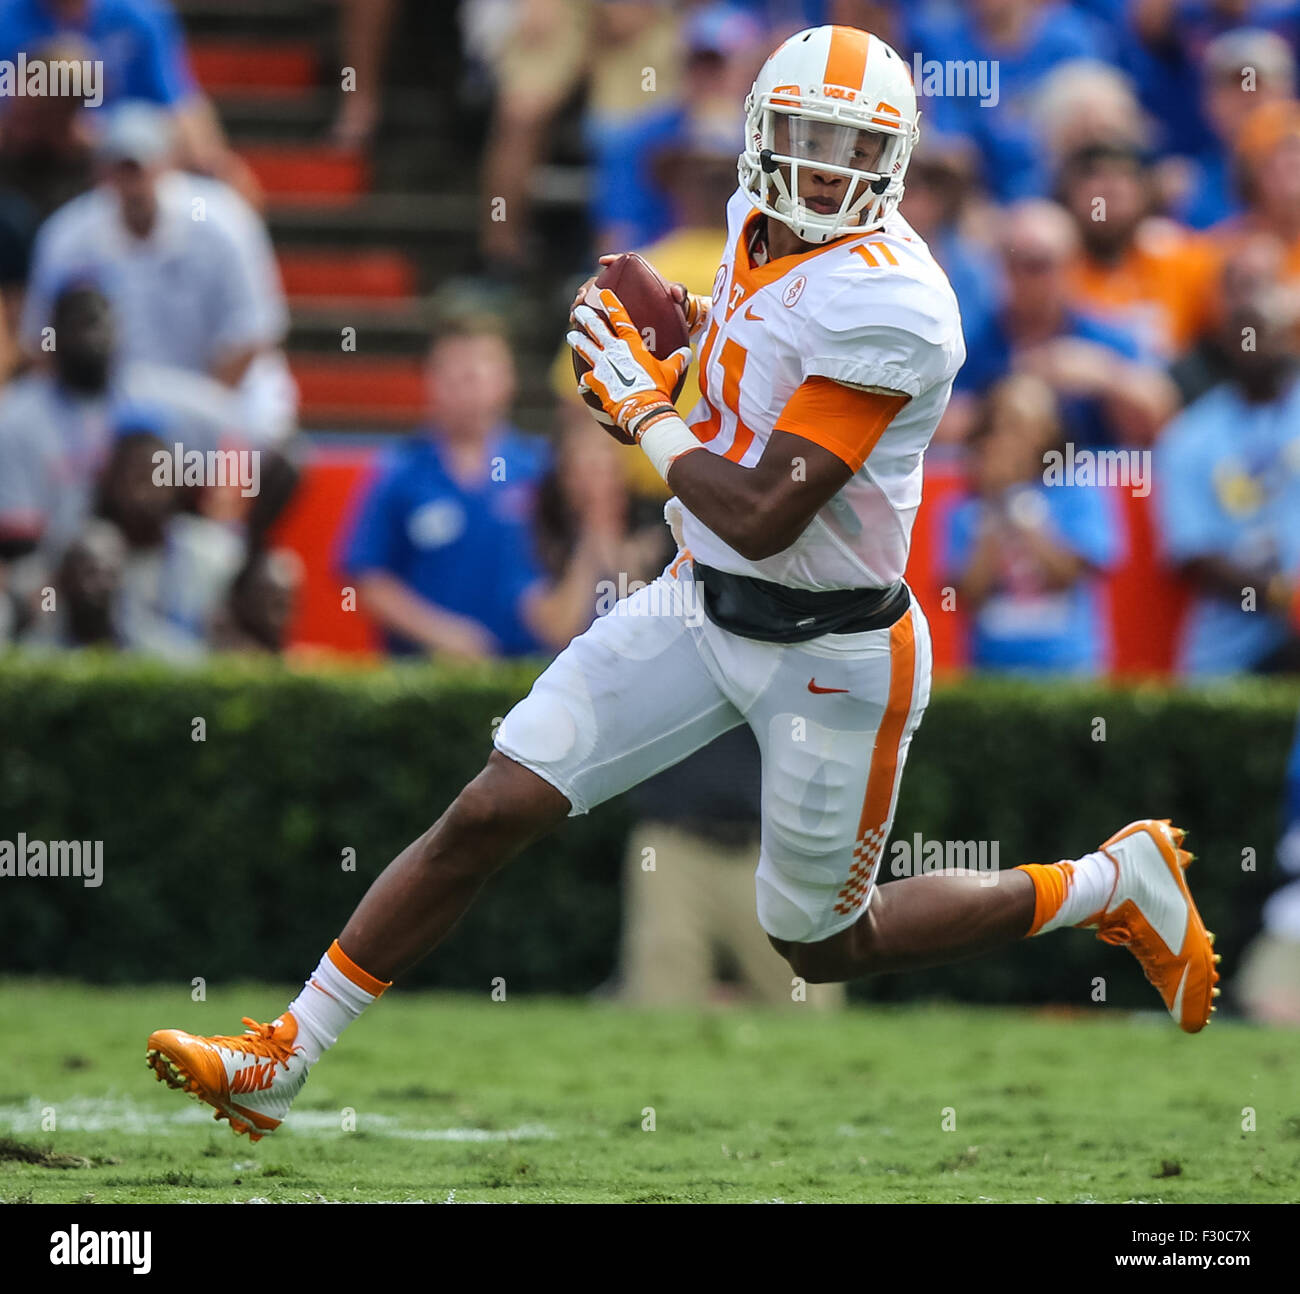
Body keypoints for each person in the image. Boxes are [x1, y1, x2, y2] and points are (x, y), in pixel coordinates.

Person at [145, 26, 1220, 1143]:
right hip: (701, 597)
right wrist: (688, 342)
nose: (822, 169)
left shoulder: (897, 303)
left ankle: (1108, 881)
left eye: (854, 146)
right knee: (493, 803)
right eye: (805, 137)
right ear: (763, 133)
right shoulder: (756, 228)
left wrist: (646, 410)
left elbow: (766, 506)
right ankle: (284, 1051)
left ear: (896, 159)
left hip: (834, 647)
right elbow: (753, 393)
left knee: (818, 940)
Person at [20, 101, 296, 447]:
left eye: (138, 166)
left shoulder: (224, 223)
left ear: (167, 164)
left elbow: (250, 336)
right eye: (119, 168)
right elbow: (41, 344)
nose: (131, 181)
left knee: (261, 431)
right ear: (100, 171)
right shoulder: (67, 236)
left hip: (221, 397)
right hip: (111, 407)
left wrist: (193, 419)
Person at [338, 313, 550, 660]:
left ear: (507, 379)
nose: (467, 387)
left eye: (477, 373)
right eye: (454, 375)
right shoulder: (400, 472)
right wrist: (441, 634)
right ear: (431, 382)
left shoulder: (540, 470)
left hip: (532, 672)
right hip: (424, 677)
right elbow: (368, 576)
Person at [1155, 280, 1300, 675]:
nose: (1255, 343)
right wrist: (1282, 597)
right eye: (1243, 332)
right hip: (1233, 654)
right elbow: (1192, 556)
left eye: (1267, 329)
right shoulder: (1189, 435)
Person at [943, 375, 1122, 675]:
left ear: (1050, 431)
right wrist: (992, 503)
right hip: (990, 669)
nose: (1010, 438)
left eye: (1021, 424)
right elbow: (970, 595)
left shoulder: (1079, 493)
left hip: (1069, 667)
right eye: (1001, 425)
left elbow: (1065, 575)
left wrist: (1018, 502)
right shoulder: (962, 508)